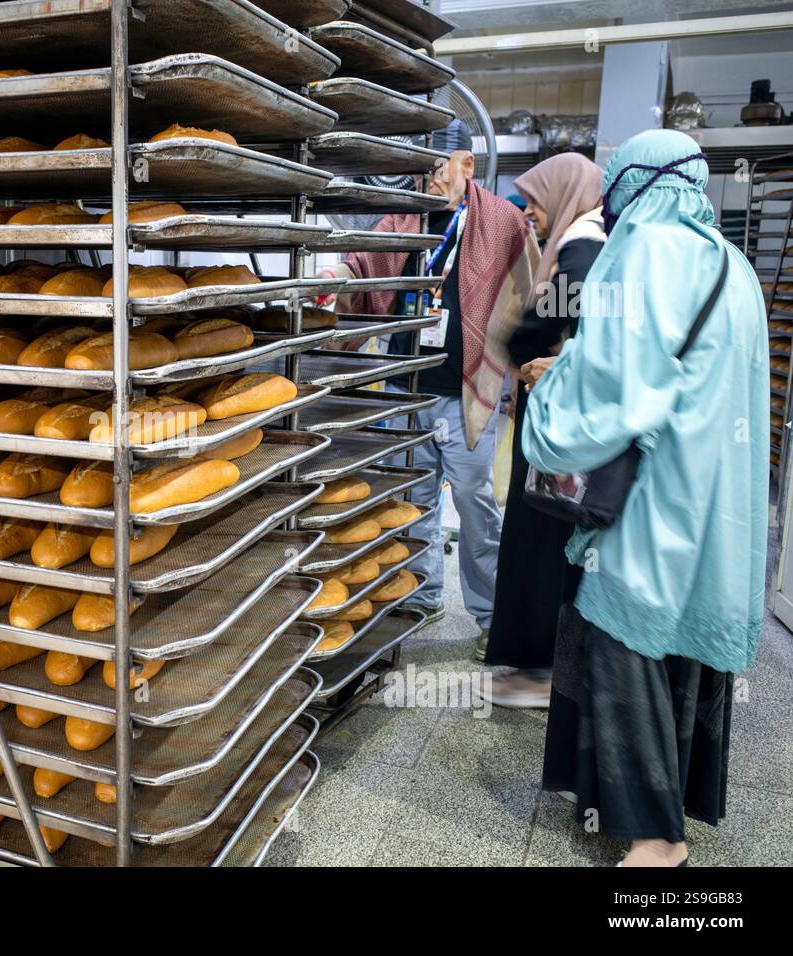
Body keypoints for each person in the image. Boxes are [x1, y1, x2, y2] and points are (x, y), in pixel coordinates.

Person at [522, 130, 767, 867]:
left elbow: (616, 387)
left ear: (637, 183)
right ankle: (663, 803)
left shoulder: (647, 252)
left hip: (653, 501)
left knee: (623, 641)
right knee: (676, 652)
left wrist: (549, 408)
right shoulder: (734, 263)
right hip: (718, 504)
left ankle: (658, 837)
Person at [328, 125, 540, 648]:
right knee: (415, 499)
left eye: (436, 169)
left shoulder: (502, 222)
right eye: (419, 169)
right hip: (407, 388)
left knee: (474, 502)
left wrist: (524, 365)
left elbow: (529, 294)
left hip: (464, 391)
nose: (425, 180)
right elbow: (365, 263)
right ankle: (421, 598)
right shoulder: (405, 214)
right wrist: (338, 276)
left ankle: (492, 616)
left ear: (466, 166)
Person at [481, 153, 607, 706]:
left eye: (536, 198)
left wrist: (519, 340)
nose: (529, 210)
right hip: (567, 412)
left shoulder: (581, 244)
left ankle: (536, 675)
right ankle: (540, 671)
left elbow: (560, 313)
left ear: (563, 193)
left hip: (559, 418)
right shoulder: (590, 239)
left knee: (540, 538)